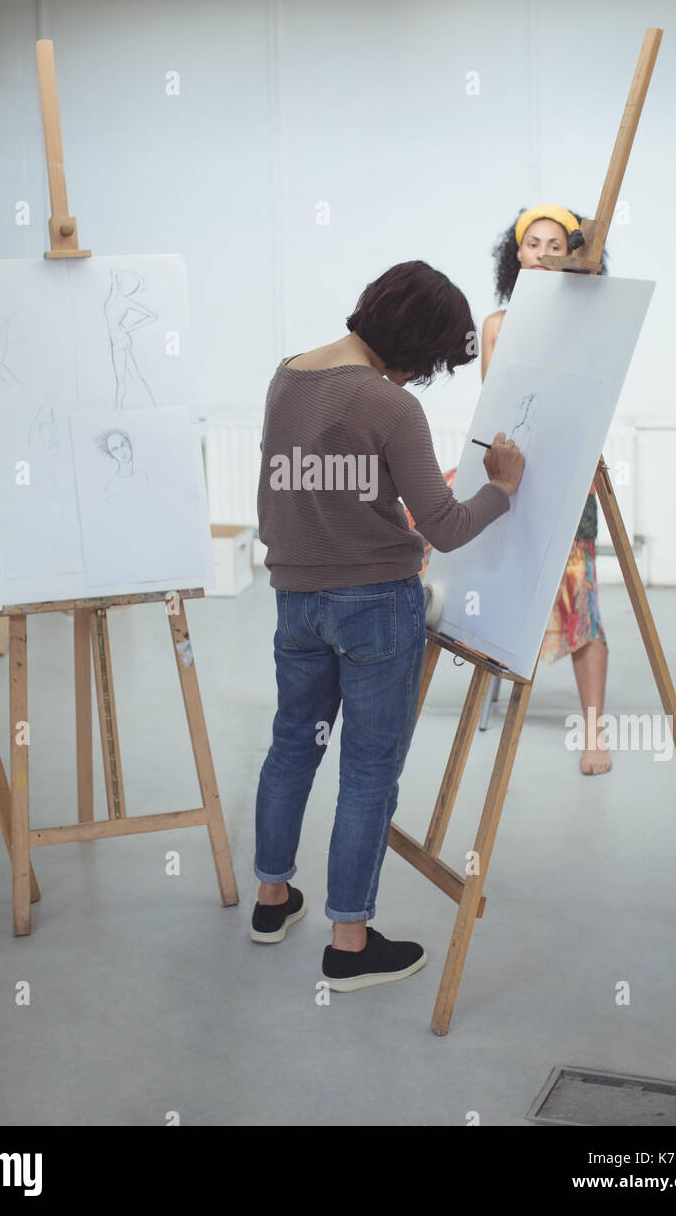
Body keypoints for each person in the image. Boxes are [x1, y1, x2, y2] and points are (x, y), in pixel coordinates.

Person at [252, 260, 525, 991]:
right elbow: (445, 523)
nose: (424, 375)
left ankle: (271, 901)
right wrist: (501, 487)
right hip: (373, 605)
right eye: (432, 358)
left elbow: (287, 489)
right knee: (369, 773)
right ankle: (350, 944)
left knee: (290, 749)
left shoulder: (288, 375)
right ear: (416, 341)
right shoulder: (387, 404)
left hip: (295, 602)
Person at [483, 204, 611, 775]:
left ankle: (594, 734)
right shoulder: (496, 326)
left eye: (555, 245)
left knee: (581, 598)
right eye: (532, 244)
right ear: (516, 256)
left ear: (573, 255)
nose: (542, 252)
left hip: (571, 475)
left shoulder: (591, 321)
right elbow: (499, 408)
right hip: (511, 475)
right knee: (497, 581)